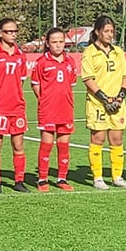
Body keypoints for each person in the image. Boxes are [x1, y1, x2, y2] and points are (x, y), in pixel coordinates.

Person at [80, 15, 126, 190]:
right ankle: (98, 177)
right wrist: (104, 98)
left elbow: (125, 76)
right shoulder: (89, 53)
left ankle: (117, 176)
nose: (110, 35)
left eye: (112, 31)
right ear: (97, 32)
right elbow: (87, 78)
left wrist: (120, 97)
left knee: (116, 139)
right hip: (97, 104)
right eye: (106, 31)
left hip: (117, 103)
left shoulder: (118, 52)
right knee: (98, 138)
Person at [0, 18, 28, 193]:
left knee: (18, 145)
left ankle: (19, 181)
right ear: (0, 33)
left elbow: (21, 81)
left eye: (15, 31)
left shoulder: (20, 55)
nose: (13, 34)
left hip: (17, 107)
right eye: (9, 31)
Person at [31, 27, 78, 192]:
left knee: (64, 145)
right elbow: (35, 84)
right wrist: (44, 100)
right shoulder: (41, 62)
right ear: (47, 43)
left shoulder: (70, 61)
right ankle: (42, 179)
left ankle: (61, 178)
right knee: (46, 144)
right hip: (48, 110)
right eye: (54, 42)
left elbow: (71, 84)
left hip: (65, 109)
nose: (58, 45)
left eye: (61, 42)